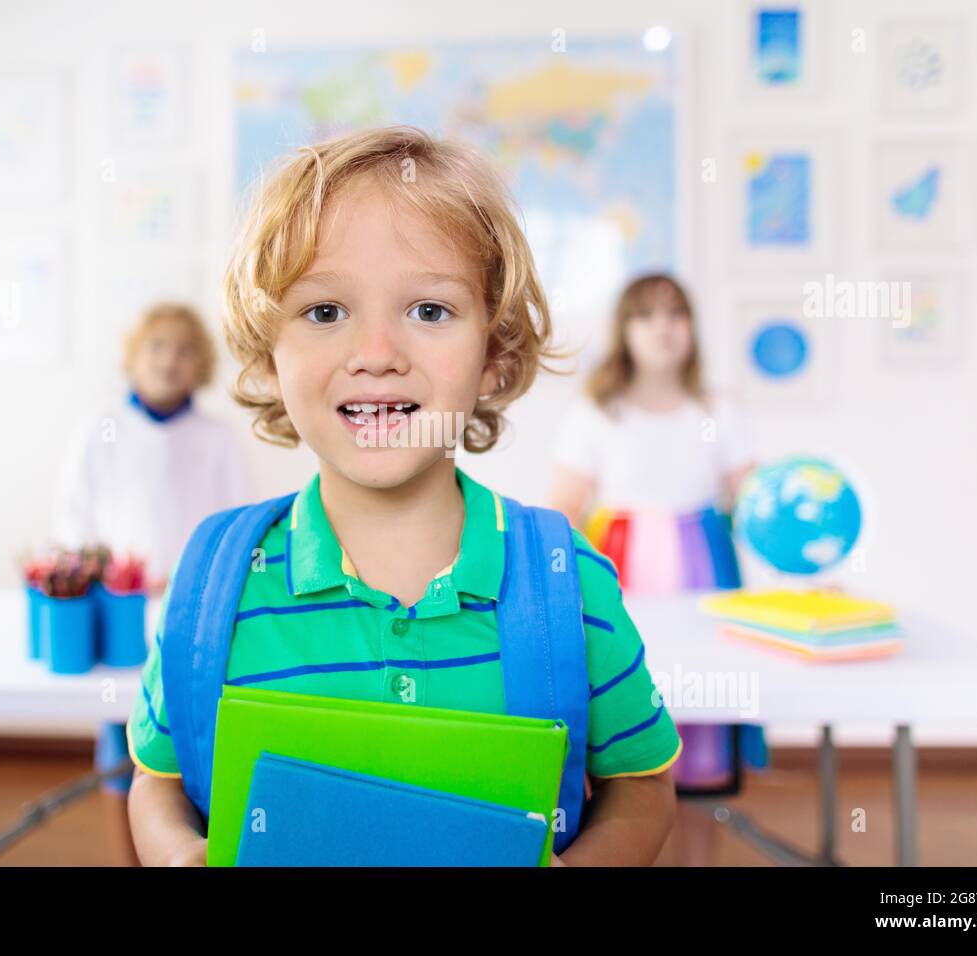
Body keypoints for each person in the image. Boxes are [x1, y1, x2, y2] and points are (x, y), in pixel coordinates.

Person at [125, 126, 682, 866]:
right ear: (268, 357)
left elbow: (642, 786)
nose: (378, 355)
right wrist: (174, 857)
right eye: (325, 312)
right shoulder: (213, 583)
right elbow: (157, 784)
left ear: (495, 357)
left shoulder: (566, 578)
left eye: (429, 311)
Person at [549, 273, 763, 861]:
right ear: (625, 330)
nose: (663, 328)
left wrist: (807, 575)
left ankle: (696, 838)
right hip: (622, 569)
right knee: (633, 687)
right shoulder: (598, 411)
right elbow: (562, 512)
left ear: (692, 327)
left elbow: (753, 505)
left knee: (703, 697)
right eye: (646, 315)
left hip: (705, 564)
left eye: (676, 314)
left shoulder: (719, 408)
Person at [54, 301, 251, 866]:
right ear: (133, 356)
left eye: (185, 349)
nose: (170, 360)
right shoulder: (101, 431)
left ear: (202, 364)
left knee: (187, 738)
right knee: (122, 737)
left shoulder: (218, 438)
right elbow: (74, 520)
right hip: (120, 610)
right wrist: (109, 573)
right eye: (157, 347)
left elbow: (241, 524)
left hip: (195, 610)